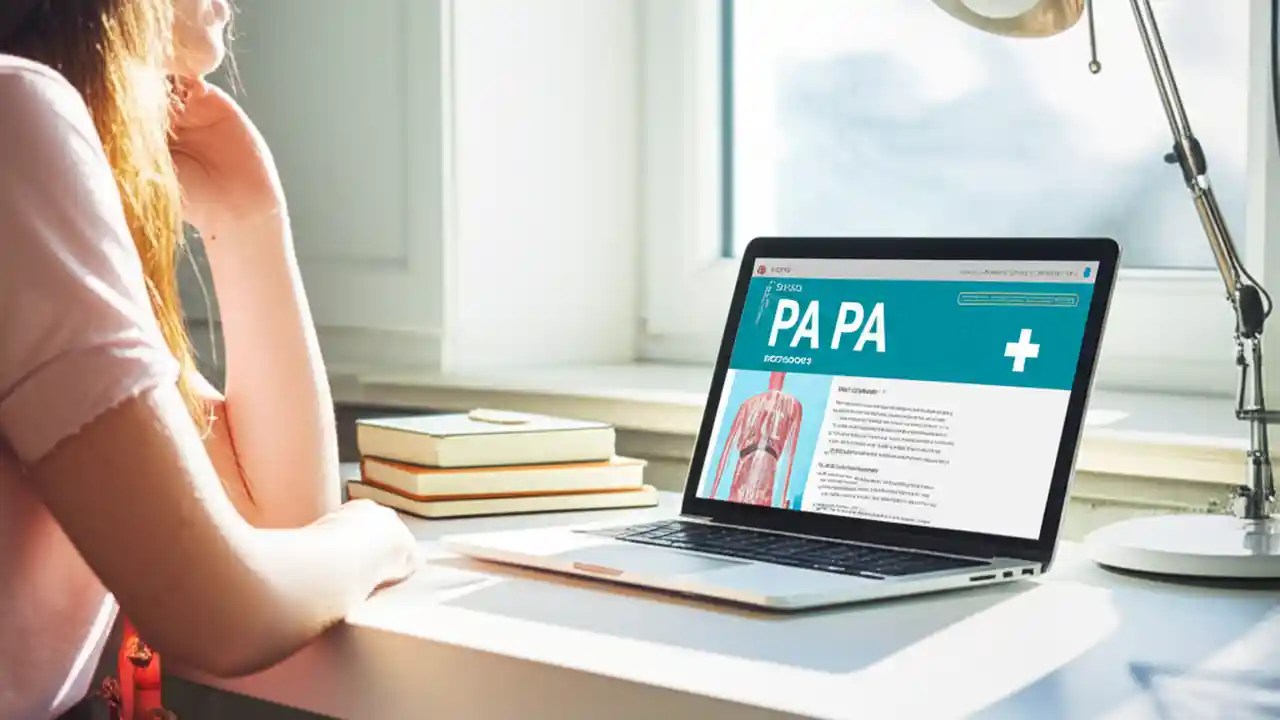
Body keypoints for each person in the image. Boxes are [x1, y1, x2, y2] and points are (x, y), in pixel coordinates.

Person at [0, 1, 420, 717]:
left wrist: (249, 221)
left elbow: (275, 521)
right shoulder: (17, 118)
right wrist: (376, 534)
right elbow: (222, 613)